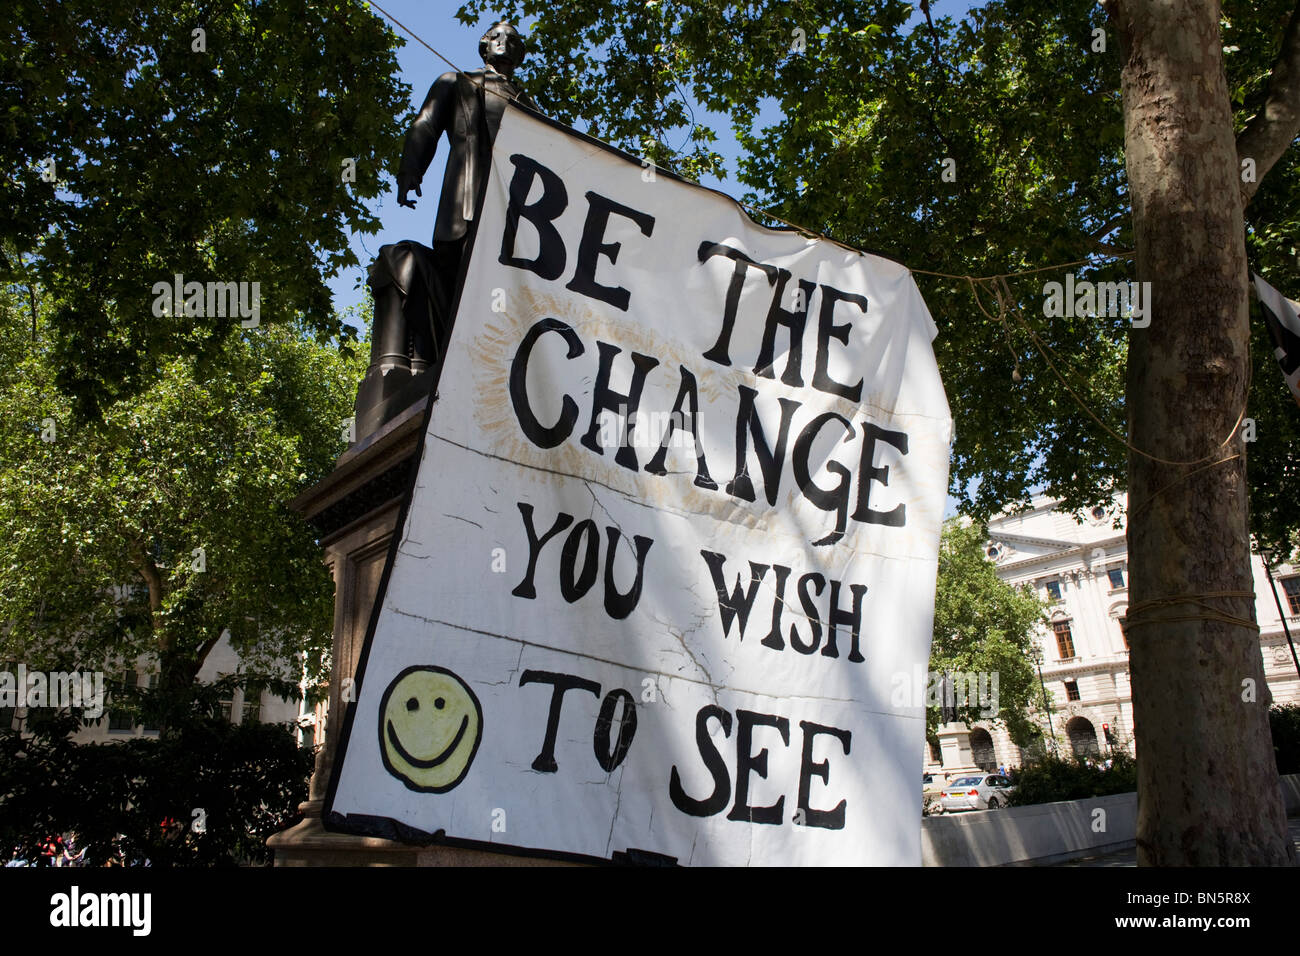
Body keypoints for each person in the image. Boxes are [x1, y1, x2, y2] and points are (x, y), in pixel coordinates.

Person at [356, 22, 538, 435]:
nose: (506, 43)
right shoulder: (456, 82)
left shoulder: (532, 107)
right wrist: (409, 171)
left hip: (518, 224)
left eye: (515, 40)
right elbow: (425, 125)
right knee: (453, 280)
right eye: (499, 36)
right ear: (483, 45)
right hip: (467, 209)